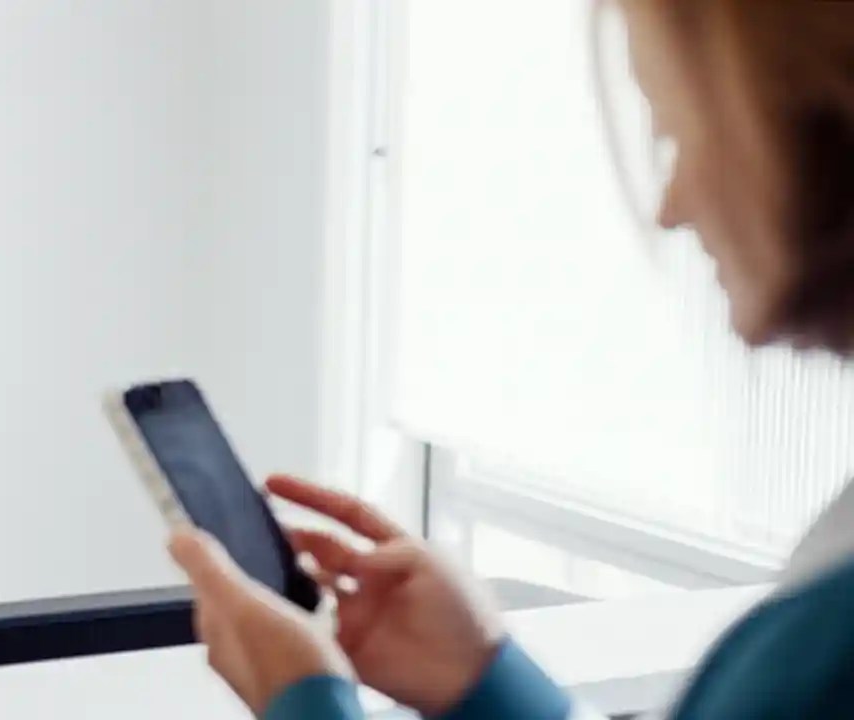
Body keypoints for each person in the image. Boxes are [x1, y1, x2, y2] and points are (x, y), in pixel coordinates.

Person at [167, 1, 854, 718]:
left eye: (682, 137)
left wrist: (306, 703)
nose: (670, 208)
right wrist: (484, 683)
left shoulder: (826, 656)